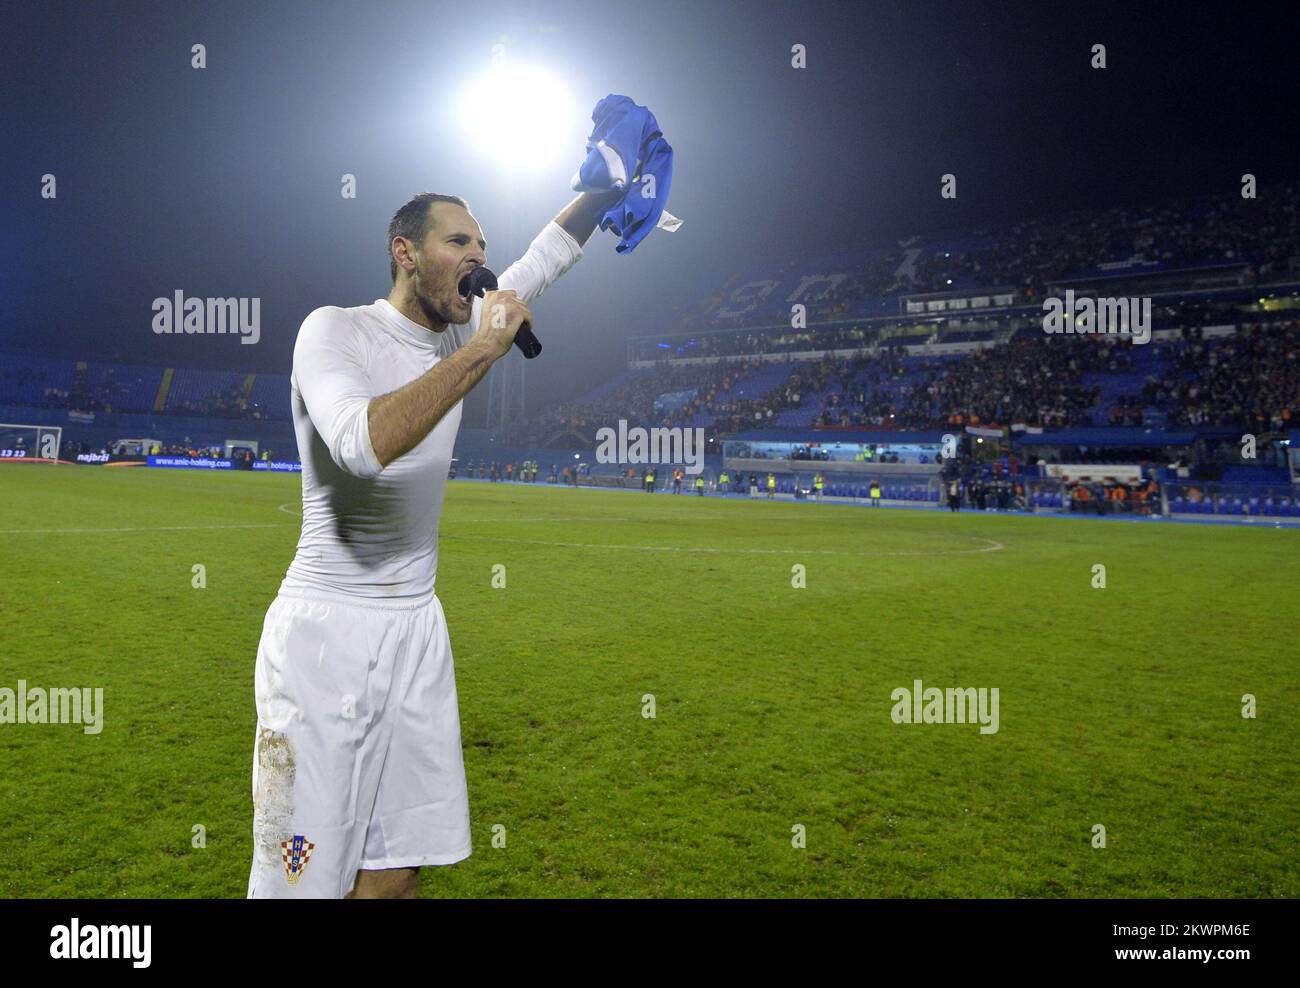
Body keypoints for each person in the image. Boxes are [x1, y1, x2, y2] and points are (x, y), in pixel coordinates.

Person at [246, 187, 618, 900]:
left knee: (395, 876)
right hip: (325, 639)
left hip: (417, 630)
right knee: (300, 883)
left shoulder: (456, 331)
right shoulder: (335, 332)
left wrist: (603, 191)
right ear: (406, 253)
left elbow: (545, 258)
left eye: (482, 249)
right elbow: (362, 444)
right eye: (458, 245)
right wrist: (483, 347)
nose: (477, 261)